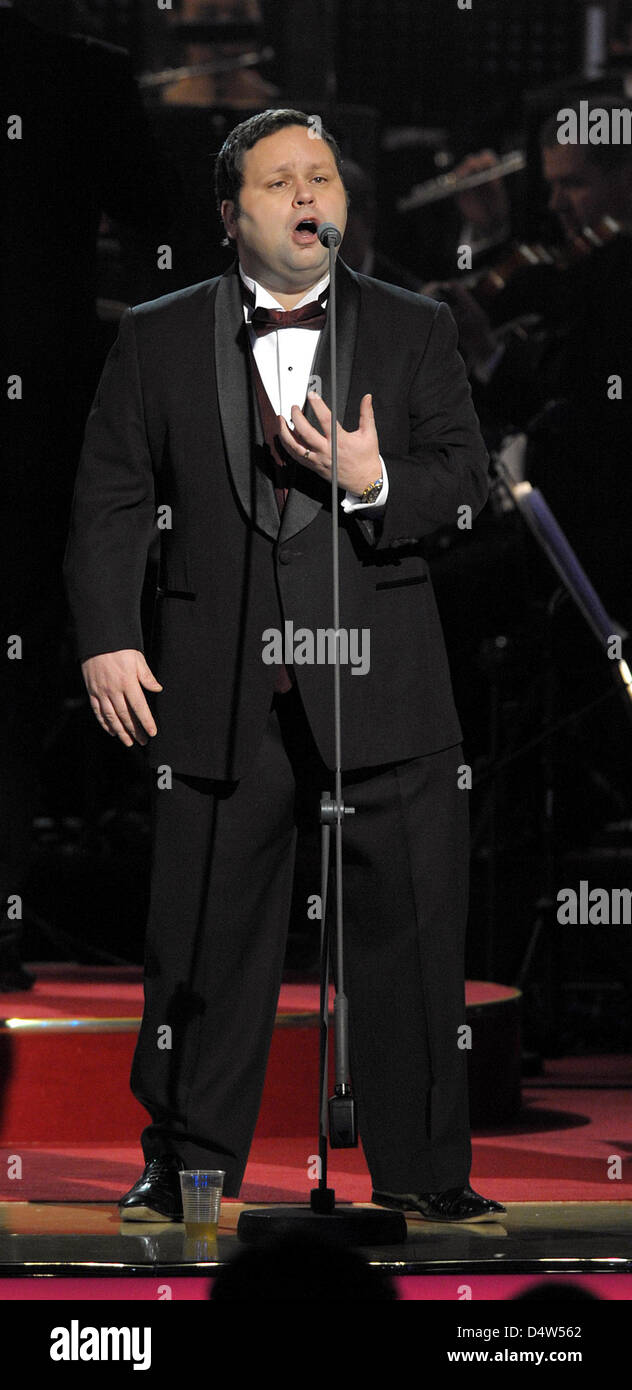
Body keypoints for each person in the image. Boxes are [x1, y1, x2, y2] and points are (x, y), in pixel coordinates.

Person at [64, 107, 504, 1225]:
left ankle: (423, 1173)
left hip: (384, 686)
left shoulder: (414, 326)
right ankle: (185, 1166)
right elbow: (111, 500)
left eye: (323, 177)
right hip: (220, 688)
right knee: (202, 938)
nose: (309, 195)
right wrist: (109, 636)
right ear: (229, 214)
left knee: (410, 938)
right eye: (279, 181)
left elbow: (466, 481)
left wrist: (373, 480)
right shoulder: (157, 335)